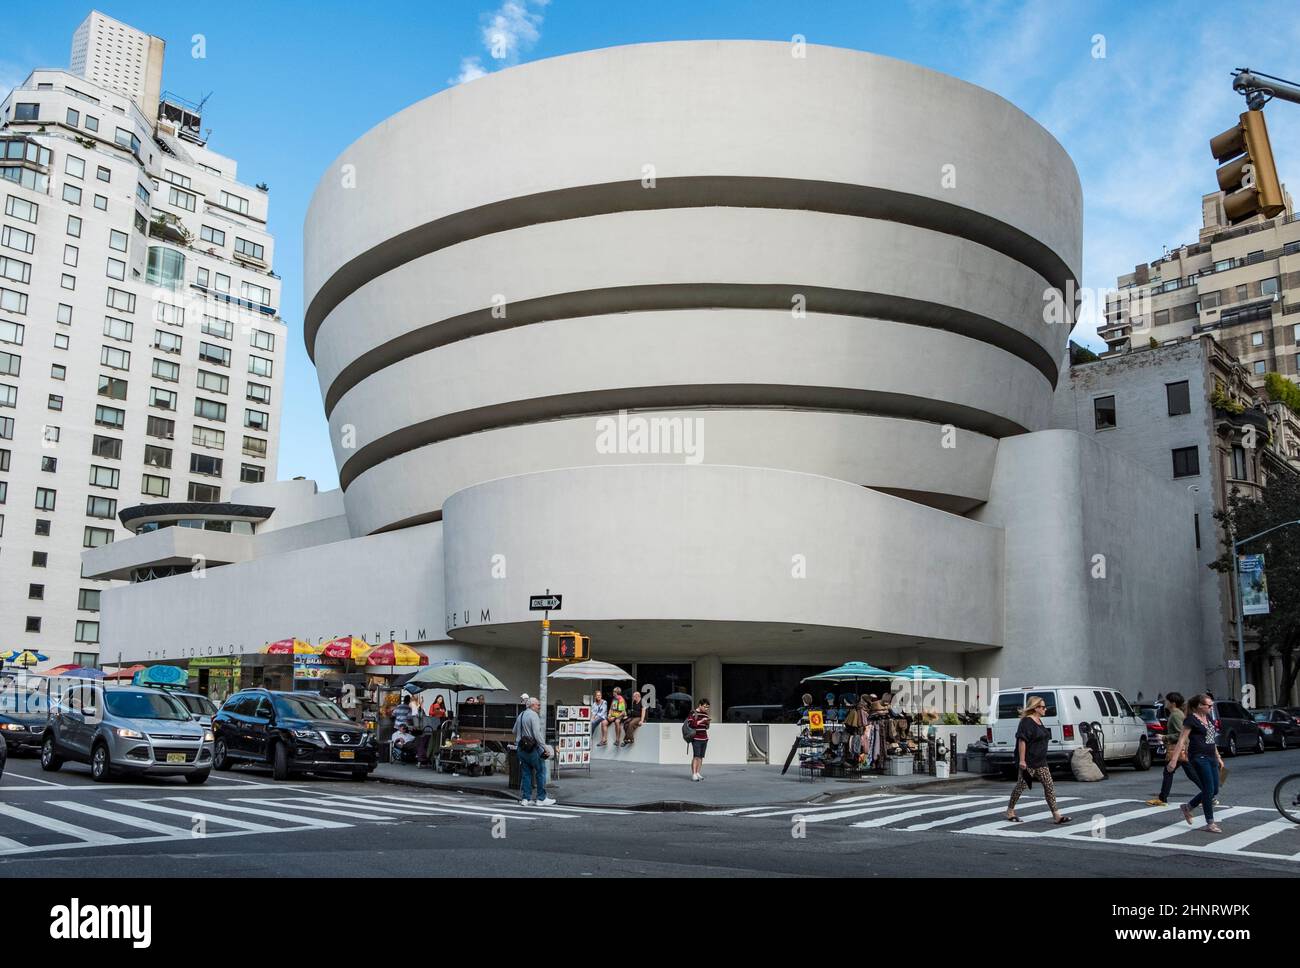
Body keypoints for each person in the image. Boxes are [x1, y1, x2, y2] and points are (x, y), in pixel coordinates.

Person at [1005, 695, 1071, 825]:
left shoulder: (1039, 721)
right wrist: (1022, 761)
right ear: (1035, 708)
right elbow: (1022, 741)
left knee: (1049, 786)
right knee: (1021, 787)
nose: (1046, 709)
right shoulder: (1026, 722)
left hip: (1041, 762)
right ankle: (1010, 811)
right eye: (1043, 707)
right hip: (1029, 762)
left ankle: (1057, 815)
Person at [1168, 693, 1225, 833]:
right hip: (1198, 757)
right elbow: (1181, 741)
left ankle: (1188, 807)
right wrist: (1173, 760)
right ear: (1199, 706)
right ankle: (1210, 823)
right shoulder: (1190, 720)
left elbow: (1211, 740)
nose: (1211, 708)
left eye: (1211, 705)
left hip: (1211, 756)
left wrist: (1218, 757)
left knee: (1215, 789)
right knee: (1208, 789)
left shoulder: (1209, 718)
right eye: (1208, 705)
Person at [1147, 692, 1195, 807]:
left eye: (1167, 701)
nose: (1165, 703)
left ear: (1173, 703)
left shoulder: (1176, 715)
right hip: (1180, 749)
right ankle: (1208, 794)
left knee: (1169, 771)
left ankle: (1162, 798)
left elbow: (1181, 734)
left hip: (1178, 749)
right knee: (1190, 773)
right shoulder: (1176, 714)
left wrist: (1164, 737)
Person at [513, 697, 555, 806]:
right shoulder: (533, 715)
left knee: (526, 773)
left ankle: (526, 798)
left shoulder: (521, 715)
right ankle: (541, 798)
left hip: (521, 748)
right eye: (538, 705)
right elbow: (537, 734)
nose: (539, 707)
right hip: (532, 749)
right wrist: (545, 747)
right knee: (541, 771)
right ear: (532, 705)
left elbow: (514, 730)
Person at [687, 698, 711, 781]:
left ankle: (698, 772)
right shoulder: (693, 713)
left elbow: (707, 727)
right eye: (705, 707)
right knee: (696, 756)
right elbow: (691, 724)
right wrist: (701, 721)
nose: (706, 709)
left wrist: (707, 723)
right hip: (696, 738)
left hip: (704, 737)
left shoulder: (706, 714)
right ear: (700, 705)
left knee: (701, 757)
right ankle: (693, 774)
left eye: (708, 707)